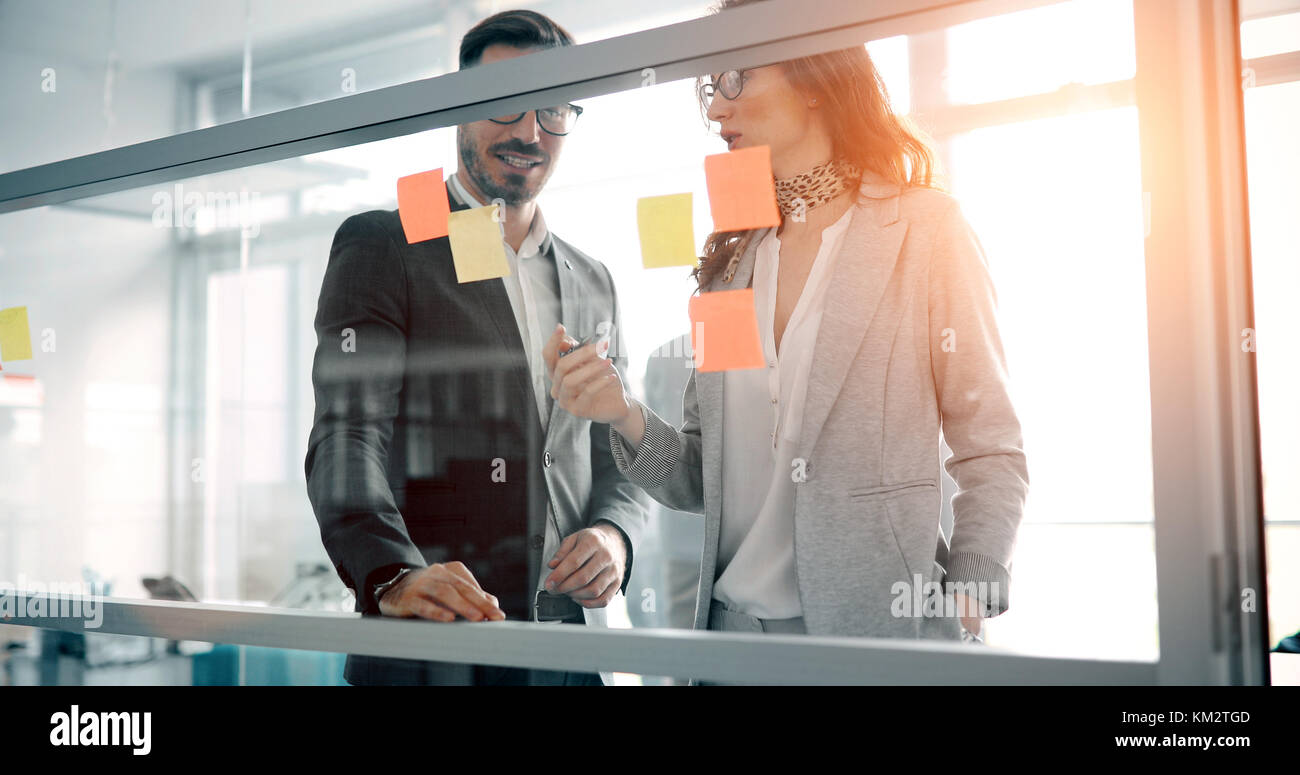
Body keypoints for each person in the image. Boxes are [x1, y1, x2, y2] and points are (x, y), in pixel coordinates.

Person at [544, 0, 1028, 682]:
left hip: (877, 648)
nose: (716, 108)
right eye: (710, 87)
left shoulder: (925, 233)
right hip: (730, 649)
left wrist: (968, 599)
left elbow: (993, 447)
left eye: (735, 78)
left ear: (813, 76)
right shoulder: (731, 264)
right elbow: (700, 476)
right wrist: (622, 412)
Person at [305, 9, 646, 686]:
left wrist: (615, 536)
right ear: (459, 106)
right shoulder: (387, 245)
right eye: (505, 103)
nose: (529, 132)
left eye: (552, 110)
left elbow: (618, 453)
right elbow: (348, 436)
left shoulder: (593, 278)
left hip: (575, 655)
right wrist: (393, 573)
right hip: (437, 647)